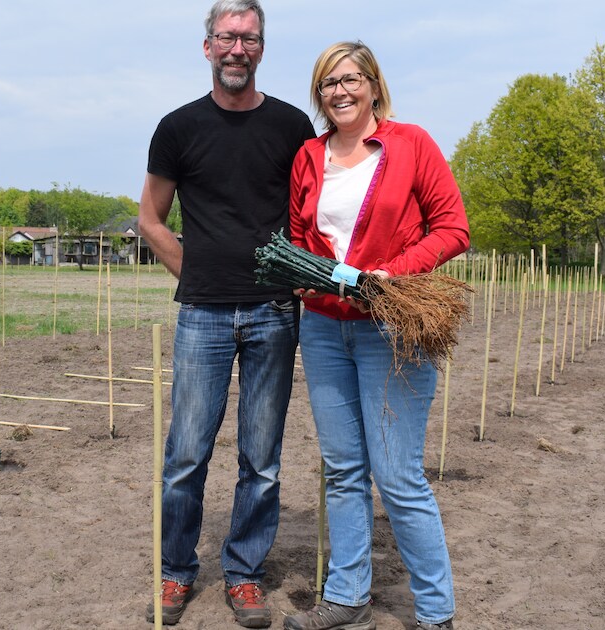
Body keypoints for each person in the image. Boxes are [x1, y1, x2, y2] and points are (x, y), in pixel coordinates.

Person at [137, 1, 315, 627]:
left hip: (274, 313)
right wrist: (197, 273)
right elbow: (150, 219)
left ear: (262, 48)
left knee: (261, 458)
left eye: (250, 38)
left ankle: (243, 574)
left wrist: (306, 279)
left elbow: (312, 214)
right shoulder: (178, 128)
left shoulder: (293, 126)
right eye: (227, 37)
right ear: (207, 46)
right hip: (203, 318)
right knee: (187, 453)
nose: (238, 49)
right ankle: (176, 571)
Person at [283, 41, 468, 630]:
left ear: (372, 84)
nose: (340, 91)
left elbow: (454, 228)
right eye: (328, 83)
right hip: (324, 331)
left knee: (397, 475)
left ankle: (436, 614)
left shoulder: (410, 144)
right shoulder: (308, 158)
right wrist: (302, 279)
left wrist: (401, 272)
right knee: (342, 469)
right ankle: (348, 596)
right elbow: (298, 238)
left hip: (391, 329)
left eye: (350, 79)